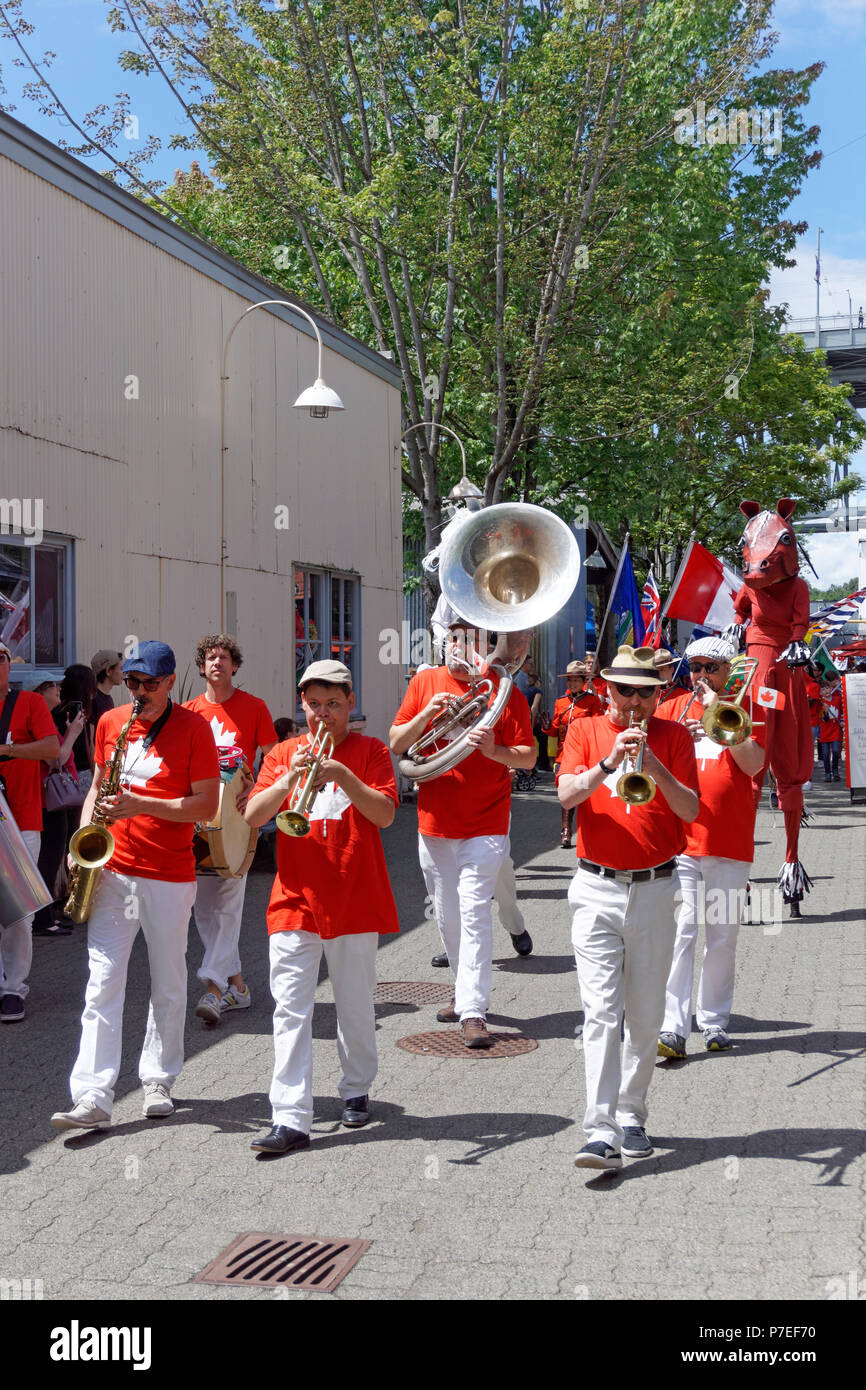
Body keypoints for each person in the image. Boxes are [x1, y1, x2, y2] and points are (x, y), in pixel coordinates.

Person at [50, 641, 219, 1130]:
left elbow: (206, 805)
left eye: (150, 684)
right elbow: (99, 786)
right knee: (103, 980)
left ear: (169, 682)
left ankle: (159, 1078)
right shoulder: (110, 722)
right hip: (114, 868)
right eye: (133, 683)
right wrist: (82, 840)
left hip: (167, 873)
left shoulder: (194, 728)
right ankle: (92, 1096)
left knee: (168, 979)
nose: (141, 692)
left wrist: (142, 805)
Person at [245, 660, 399, 1155]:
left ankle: (355, 1086)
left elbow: (385, 813)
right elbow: (252, 815)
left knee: (354, 1004)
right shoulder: (285, 752)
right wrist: (284, 781)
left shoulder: (371, 751)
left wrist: (343, 775)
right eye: (314, 705)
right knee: (290, 1008)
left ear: (350, 704)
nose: (323, 714)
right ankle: (290, 1115)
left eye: (333, 704)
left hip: (354, 897)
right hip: (293, 901)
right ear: (302, 705)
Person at [558, 644, 698, 1169]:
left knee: (644, 1015)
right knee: (599, 1013)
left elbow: (691, 808)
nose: (634, 701)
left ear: (658, 693)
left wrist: (656, 765)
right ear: (607, 689)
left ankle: (632, 1113)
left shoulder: (676, 735)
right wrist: (608, 761)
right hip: (596, 887)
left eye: (645, 692)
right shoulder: (585, 728)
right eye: (624, 690)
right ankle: (599, 1130)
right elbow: (566, 796)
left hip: (658, 887)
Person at [391, 620, 535, 1048]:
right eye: (455, 639)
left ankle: (474, 1010)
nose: (460, 646)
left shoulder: (502, 689)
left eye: (471, 640)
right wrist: (427, 713)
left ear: (486, 647)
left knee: (473, 911)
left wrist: (493, 751)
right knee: (447, 914)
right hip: (435, 821)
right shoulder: (426, 682)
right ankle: (462, 989)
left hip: (487, 821)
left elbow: (527, 757)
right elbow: (397, 743)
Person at [654, 636, 765, 1057]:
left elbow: (754, 765)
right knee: (681, 933)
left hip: (729, 843)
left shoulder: (745, 708)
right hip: (681, 843)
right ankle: (672, 1027)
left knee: (721, 938)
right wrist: (678, 735)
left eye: (709, 667)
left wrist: (721, 716)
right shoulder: (670, 710)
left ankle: (714, 1021)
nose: (700, 675)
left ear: (727, 673)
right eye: (695, 667)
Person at [183, 634, 277, 1022]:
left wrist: (257, 787)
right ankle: (237, 986)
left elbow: (273, 758)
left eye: (224, 657)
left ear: (235, 666)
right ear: (202, 667)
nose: (217, 662)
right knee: (205, 910)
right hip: (196, 823)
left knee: (229, 907)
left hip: (237, 823)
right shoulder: (188, 712)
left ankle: (212, 986)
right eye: (210, 657)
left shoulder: (254, 707)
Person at [0, 643, 60, 1022]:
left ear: (10, 666)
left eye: (1, 657)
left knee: (18, 911)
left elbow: (52, 748)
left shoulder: (30, 704)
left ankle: (13, 989)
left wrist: (7, 750)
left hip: (22, 820)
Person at [546, 661, 602, 848]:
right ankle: (566, 831)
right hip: (564, 754)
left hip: (584, 754)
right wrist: (547, 727)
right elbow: (555, 730)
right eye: (569, 680)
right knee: (567, 791)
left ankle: (588, 830)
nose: (572, 684)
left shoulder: (592, 701)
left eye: (576, 680)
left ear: (584, 681)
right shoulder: (561, 702)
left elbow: (597, 727)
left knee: (585, 790)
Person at [818, 679, 843, 782]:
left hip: (835, 729)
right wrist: (825, 711)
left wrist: (842, 721)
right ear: (820, 692)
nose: (826, 691)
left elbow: (842, 711)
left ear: (831, 688)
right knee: (826, 754)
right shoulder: (820, 703)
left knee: (836, 751)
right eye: (823, 689)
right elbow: (823, 718)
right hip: (824, 731)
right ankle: (827, 773)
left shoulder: (837, 699)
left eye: (827, 688)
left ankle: (835, 770)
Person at [91, 649, 123, 728]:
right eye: (121, 668)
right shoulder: (92, 700)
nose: (124, 672)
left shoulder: (107, 698)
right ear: (108, 671)